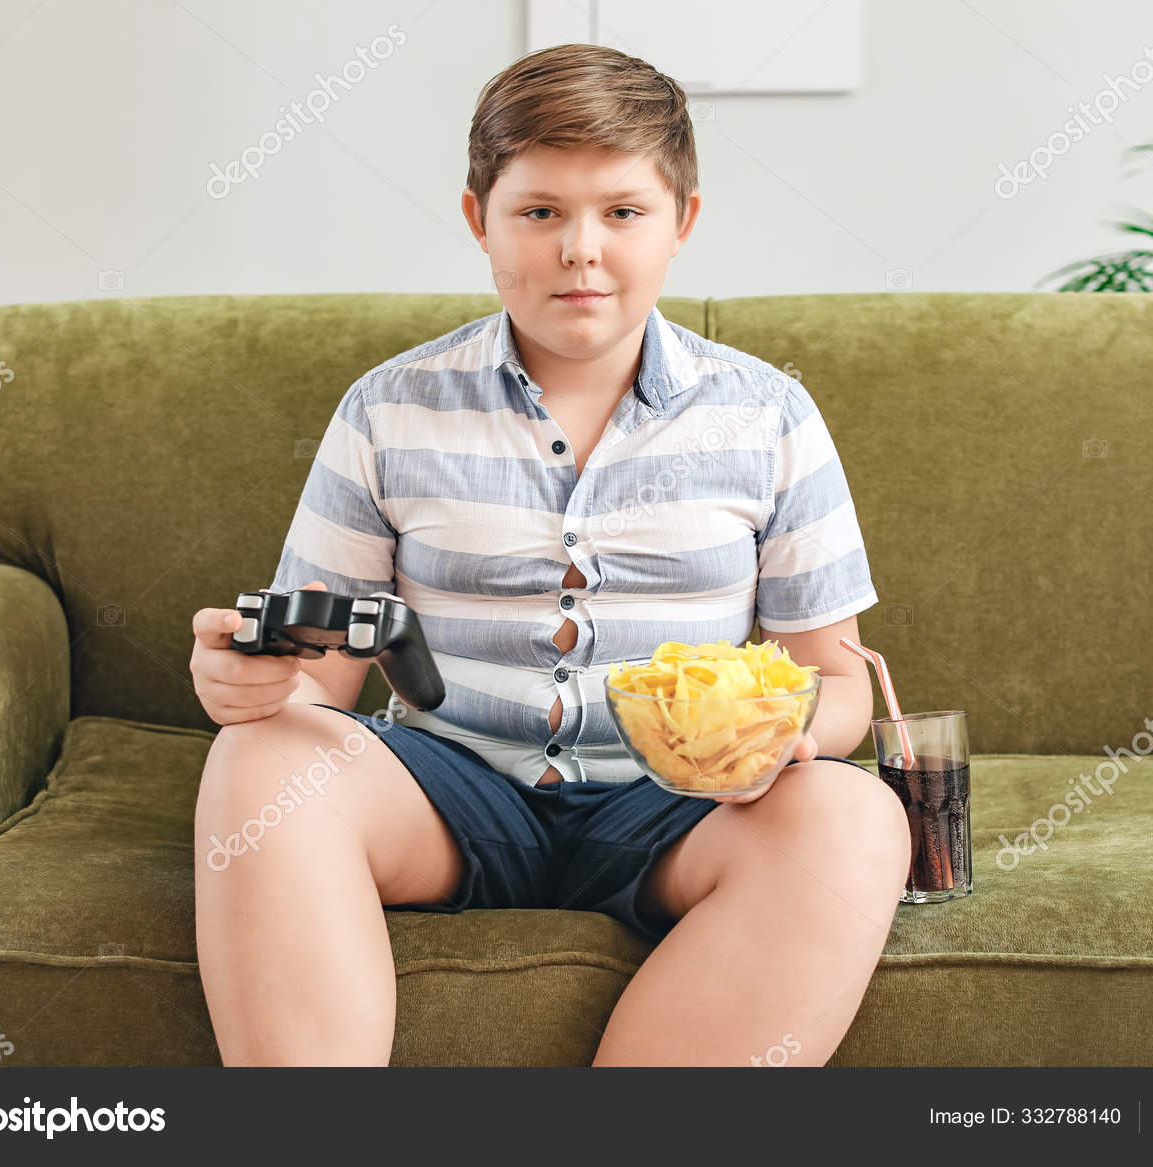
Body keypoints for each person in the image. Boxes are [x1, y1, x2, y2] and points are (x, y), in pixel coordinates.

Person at [189, 42, 910, 1067]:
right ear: (479, 219)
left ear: (681, 222)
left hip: (684, 809)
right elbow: (320, 684)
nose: (581, 250)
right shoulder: (388, 409)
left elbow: (835, 677)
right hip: (445, 792)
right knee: (257, 760)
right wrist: (252, 685)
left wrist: (785, 738)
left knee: (854, 813)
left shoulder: (769, 415)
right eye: (539, 212)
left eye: (622, 212)